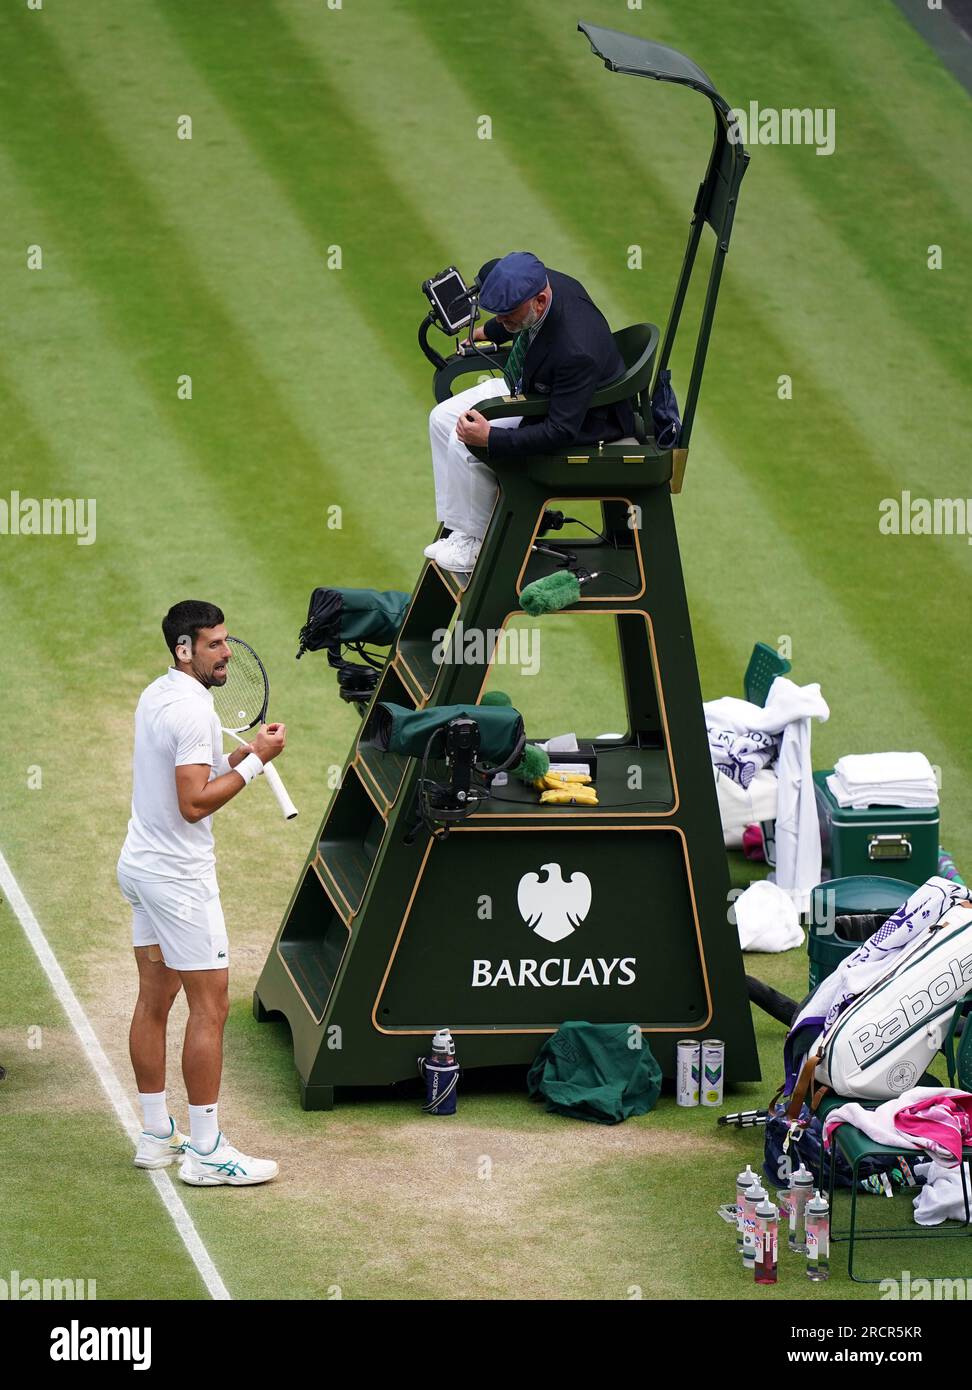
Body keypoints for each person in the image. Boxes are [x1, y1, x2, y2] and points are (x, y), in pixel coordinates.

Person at [116, 600, 286, 1186]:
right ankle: (209, 1151)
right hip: (179, 883)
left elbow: (202, 772)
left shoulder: (161, 694)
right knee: (209, 1008)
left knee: (154, 1001)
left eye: (227, 640)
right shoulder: (191, 711)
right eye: (214, 644)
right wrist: (258, 765)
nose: (228, 652)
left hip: (141, 867)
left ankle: (156, 1135)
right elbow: (194, 804)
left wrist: (245, 755)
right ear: (184, 649)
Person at [425, 251, 636, 573]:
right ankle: (463, 529)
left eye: (508, 315)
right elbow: (514, 324)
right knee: (441, 419)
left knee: (465, 444)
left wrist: (490, 437)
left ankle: (483, 544)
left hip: (583, 419)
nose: (504, 322)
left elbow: (560, 431)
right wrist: (487, 333)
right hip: (533, 387)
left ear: (539, 300)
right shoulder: (542, 287)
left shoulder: (575, 350)